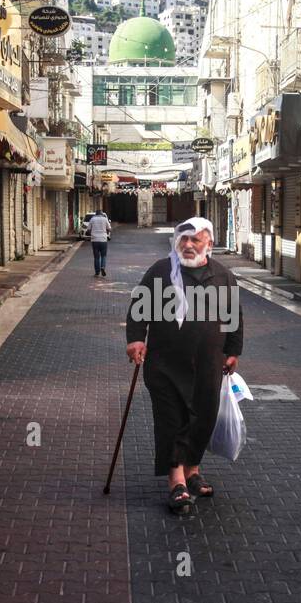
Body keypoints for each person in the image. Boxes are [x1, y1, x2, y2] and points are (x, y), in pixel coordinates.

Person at [125, 217, 243, 512]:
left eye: (195, 240)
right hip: (165, 364)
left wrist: (233, 350)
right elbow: (139, 308)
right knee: (171, 419)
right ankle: (175, 480)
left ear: (209, 244)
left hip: (208, 364)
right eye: (183, 240)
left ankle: (192, 471)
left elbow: (234, 315)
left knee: (203, 417)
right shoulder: (161, 271)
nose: (188, 245)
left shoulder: (223, 275)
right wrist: (136, 339)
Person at [88, 209, 111, 277]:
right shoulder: (104, 219)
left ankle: (97, 272)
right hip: (103, 240)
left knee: (96, 257)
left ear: (96, 214)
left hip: (95, 240)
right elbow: (109, 228)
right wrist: (106, 231)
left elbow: (88, 229)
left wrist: (91, 234)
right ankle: (103, 267)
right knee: (103, 255)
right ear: (101, 214)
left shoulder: (92, 219)